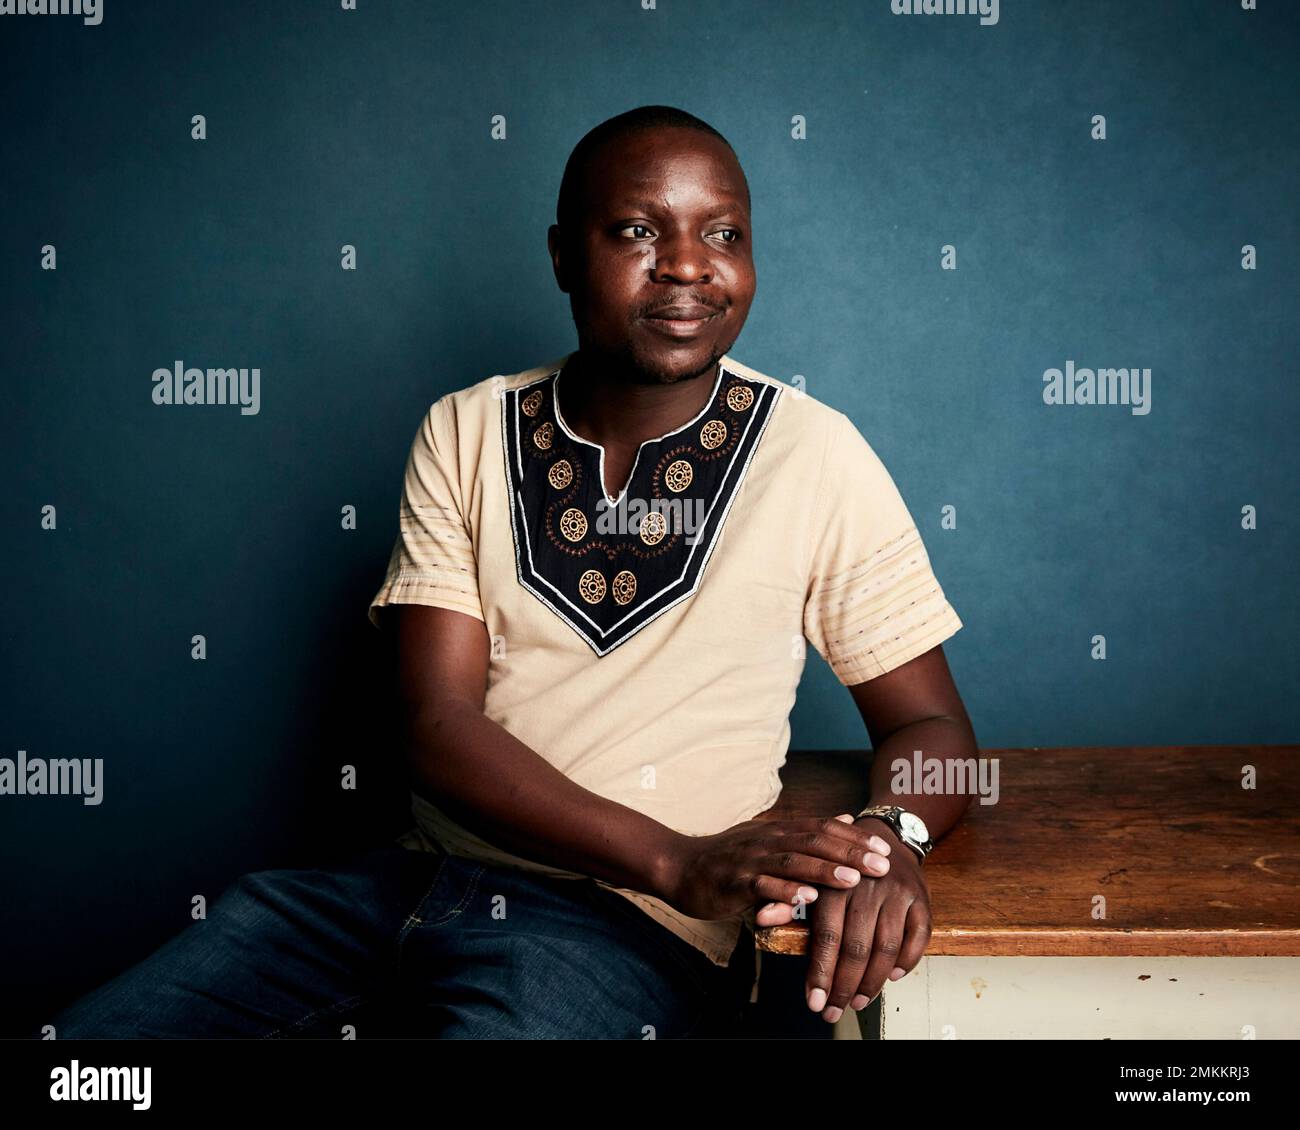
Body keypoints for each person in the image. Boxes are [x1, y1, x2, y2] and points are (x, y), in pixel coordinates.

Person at [36, 104, 977, 1040]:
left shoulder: (815, 454)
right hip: (401, 885)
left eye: (723, 232)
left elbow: (930, 723)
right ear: (564, 256)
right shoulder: (468, 428)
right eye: (639, 230)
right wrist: (674, 857)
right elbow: (435, 722)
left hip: (629, 932)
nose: (688, 263)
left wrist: (890, 838)